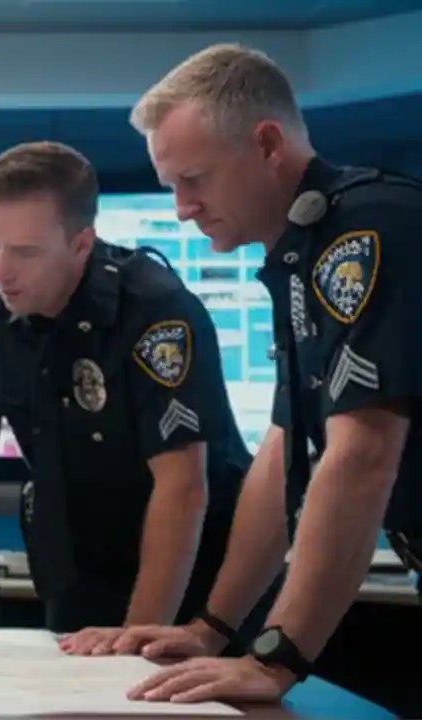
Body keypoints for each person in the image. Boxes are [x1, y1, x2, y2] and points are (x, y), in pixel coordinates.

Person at [113, 43, 422, 705]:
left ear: (268, 144)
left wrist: (277, 656)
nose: (182, 208)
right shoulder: (301, 258)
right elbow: (286, 454)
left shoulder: (364, 235)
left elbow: (362, 456)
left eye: (194, 180)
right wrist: (213, 628)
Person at [0, 141, 257, 646]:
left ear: (81, 243)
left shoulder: (154, 310)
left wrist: (139, 635)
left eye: (25, 252)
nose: (2, 271)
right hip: (81, 556)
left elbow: (183, 488)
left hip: (201, 570)